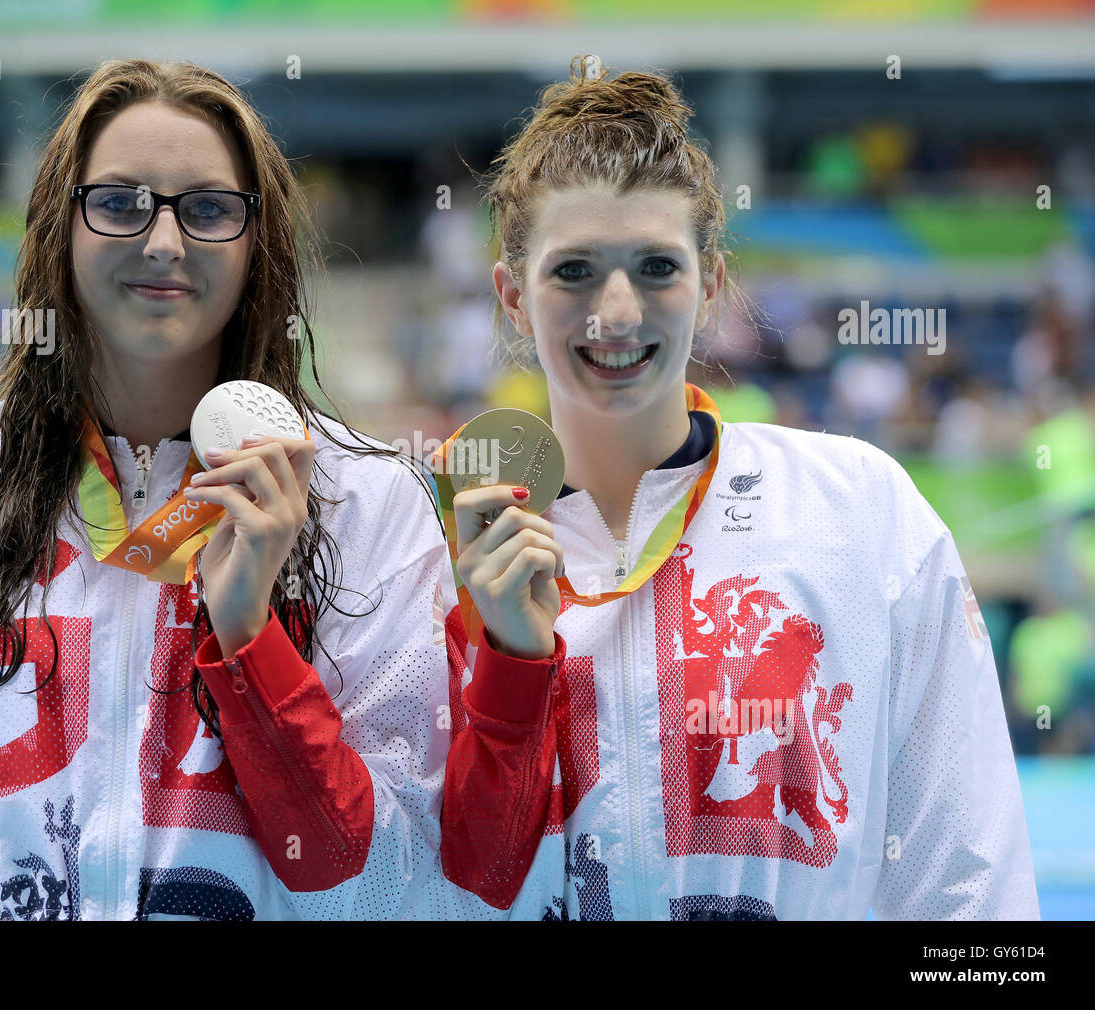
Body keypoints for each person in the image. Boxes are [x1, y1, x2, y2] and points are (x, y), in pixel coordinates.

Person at [0, 58, 489, 921]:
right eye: (120, 202)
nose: (162, 242)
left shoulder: (368, 505)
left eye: (206, 209)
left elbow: (397, 886)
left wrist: (254, 648)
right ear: (63, 225)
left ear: (256, 244)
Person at [437, 58, 1040, 920]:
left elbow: (966, 864)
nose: (616, 309)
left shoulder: (856, 510)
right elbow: (419, 870)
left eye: (656, 267)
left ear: (711, 283)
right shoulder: (438, 542)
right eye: (573, 272)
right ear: (511, 299)